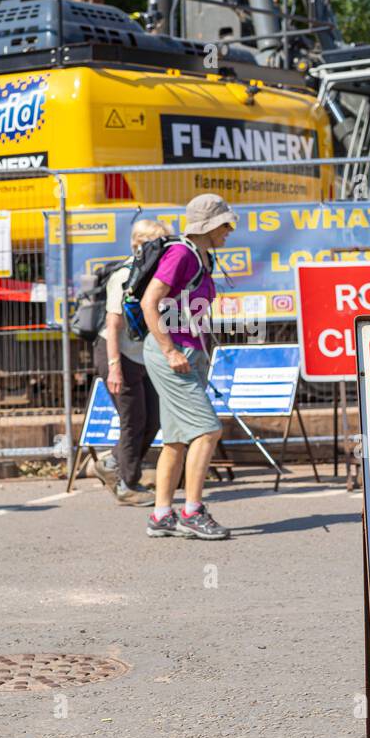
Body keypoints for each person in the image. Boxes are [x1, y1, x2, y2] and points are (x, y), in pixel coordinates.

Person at [140, 193, 235, 540]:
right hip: (173, 354)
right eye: (225, 224)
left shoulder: (199, 255)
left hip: (185, 350)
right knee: (208, 431)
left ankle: (161, 514)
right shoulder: (181, 254)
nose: (229, 230)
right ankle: (192, 511)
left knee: (177, 439)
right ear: (208, 226)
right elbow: (150, 302)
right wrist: (169, 351)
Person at [93, 219, 171, 506]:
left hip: (141, 357)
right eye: (160, 245)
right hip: (117, 354)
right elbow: (113, 326)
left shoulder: (154, 275)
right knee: (133, 420)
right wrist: (114, 367)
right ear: (142, 246)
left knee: (153, 419)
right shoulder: (125, 275)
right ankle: (127, 484)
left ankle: (113, 463)